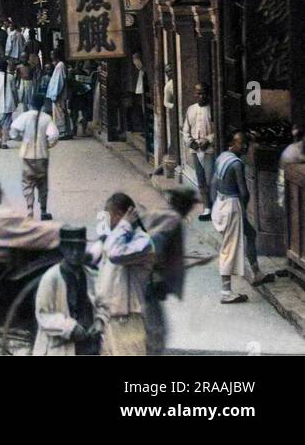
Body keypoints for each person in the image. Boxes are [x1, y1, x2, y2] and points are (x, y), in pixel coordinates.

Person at [90, 192, 155, 356]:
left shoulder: (142, 241)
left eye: (109, 216)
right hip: (109, 320)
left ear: (121, 215)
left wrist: (124, 225)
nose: (107, 221)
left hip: (128, 321)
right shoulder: (113, 238)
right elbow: (94, 257)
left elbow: (115, 254)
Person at [211, 130, 270, 303]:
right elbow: (244, 192)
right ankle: (226, 292)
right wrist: (243, 210)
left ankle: (256, 272)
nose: (245, 147)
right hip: (232, 205)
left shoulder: (222, 157)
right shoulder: (237, 164)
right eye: (243, 144)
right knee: (229, 248)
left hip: (221, 204)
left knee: (250, 233)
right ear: (236, 144)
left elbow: (213, 183)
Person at [139, 188, 197, 355]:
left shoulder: (163, 215)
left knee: (154, 327)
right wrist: (157, 272)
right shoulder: (172, 220)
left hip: (145, 281)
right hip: (147, 282)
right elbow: (155, 248)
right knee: (156, 330)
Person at [34, 225, 103, 355]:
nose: (75, 253)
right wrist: (70, 327)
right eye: (70, 248)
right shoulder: (51, 278)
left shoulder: (92, 276)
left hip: (88, 346)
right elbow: (43, 315)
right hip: (62, 347)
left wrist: (98, 323)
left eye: (79, 248)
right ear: (62, 249)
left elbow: (102, 305)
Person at [8, 101, 59, 220]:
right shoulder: (47, 118)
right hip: (42, 155)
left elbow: (13, 130)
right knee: (42, 183)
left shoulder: (24, 116)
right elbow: (54, 135)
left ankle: (30, 209)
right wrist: (48, 144)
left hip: (27, 155)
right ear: (42, 106)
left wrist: (19, 138)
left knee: (27, 182)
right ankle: (43, 211)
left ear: (31, 104)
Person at [181, 82, 217, 220]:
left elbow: (217, 130)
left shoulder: (212, 110)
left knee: (211, 181)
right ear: (195, 94)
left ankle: (214, 208)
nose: (201, 96)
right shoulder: (191, 109)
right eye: (198, 93)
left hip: (209, 150)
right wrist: (191, 142)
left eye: (203, 93)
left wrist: (208, 139)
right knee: (201, 180)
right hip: (195, 150)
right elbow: (185, 130)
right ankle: (206, 207)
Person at [46, 49, 69, 137]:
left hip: (59, 94)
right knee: (59, 112)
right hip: (58, 93)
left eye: (52, 54)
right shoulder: (58, 65)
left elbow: (59, 82)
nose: (51, 56)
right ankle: (62, 132)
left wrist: (55, 93)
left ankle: (62, 132)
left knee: (59, 113)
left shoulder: (60, 65)